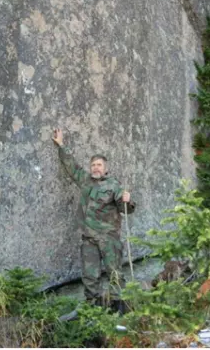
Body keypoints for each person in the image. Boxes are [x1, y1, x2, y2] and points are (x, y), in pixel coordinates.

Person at [52, 128, 135, 314]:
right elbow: (71, 166)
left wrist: (128, 201)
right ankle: (93, 312)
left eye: (99, 165)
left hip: (109, 239)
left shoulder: (114, 186)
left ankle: (119, 310)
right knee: (90, 277)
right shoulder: (86, 180)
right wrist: (61, 145)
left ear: (105, 168)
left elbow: (125, 210)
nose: (95, 168)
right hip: (89, 239)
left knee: (115, 273)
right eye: (93, 165)